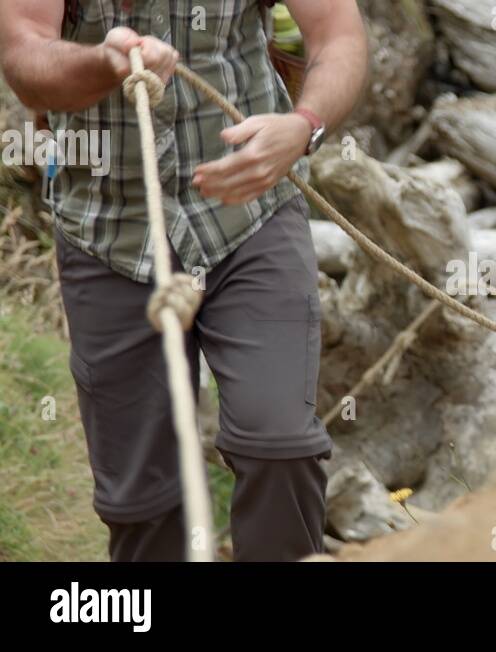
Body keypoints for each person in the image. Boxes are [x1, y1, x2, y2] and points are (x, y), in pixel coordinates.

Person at [0, 0, 369, 561]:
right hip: (107, 231)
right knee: (139, 501)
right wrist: (105, 63)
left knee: (281, 446)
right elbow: (24, 57)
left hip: (251, 218)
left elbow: (338, 32)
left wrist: (303, 126)